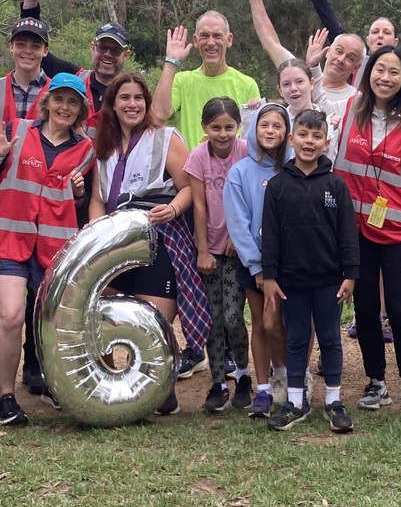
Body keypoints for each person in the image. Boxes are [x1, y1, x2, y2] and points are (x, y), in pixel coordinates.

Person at [90, 72, 210, 416]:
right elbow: (98, 197)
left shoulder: (166, 137)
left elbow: (189, 187)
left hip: (157, 235)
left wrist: (173, 209)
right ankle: (108, 380)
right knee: (101, 311)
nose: (132, 104)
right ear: (112, 104)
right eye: (124, 98)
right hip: (114, 241)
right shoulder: (103, 144)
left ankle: (161, 384)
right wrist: (97, 232)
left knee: (154, 320)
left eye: (138, 98)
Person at [0, 73, 96, 424]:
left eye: (73, 102)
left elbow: (82, 202)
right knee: (12, 315)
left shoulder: (85, 149)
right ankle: (7, 397)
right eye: (59, 100)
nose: (65, 107)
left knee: (55, 322)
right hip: (7, 238)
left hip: (53, 246)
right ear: (46, 103)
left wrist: (78, 193)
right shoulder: (15, 129)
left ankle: (57, 385)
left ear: (81, 111)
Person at [333, 45, 401, 413]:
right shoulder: (348, 113)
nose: (385, 78)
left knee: (400, 310)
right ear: (368, 73)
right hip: (357, 231)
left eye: (394, 72)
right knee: (364, 309)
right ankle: (376, 382)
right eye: (379, 69)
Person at [0, 17, 56, 400]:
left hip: (42, 213)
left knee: (40, 299)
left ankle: (34, 362)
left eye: (35, 44)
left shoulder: (60, 93)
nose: (27, 50)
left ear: (45, 51)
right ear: (10, 47)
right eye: (21, 42)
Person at [261, 109, 359, 432]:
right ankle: (295, 401)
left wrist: (350, 274)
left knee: (331, 339)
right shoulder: (276, 187)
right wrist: (271, 277)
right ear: (291, 139)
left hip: (329, 281)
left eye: (317, 136)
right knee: (296, 340)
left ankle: (333, 400)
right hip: (291, 282)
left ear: (326, 142)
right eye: (303, 134)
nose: (309, 141)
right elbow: (270, 236)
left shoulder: (336, 185)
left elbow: (347, 234)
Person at [184, 97, 252, 413]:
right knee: (212, 320)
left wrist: (237, 239)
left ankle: (244, 375)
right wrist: (201, 250)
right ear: (204, 128)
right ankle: (216, 384)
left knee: (233, 316)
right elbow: (199, 205)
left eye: (229, 127)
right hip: (209, 248)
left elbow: (251, 198)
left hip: (237, 248)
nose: (223, 134)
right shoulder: (199, 156)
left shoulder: (245, 150)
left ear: (238, 127)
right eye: (215, 127)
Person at [224, 102, 292, 416]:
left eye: (278, 125)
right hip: (255, 266)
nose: (270, 131)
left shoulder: (294, 169)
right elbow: (237, 223)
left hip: (291, 263)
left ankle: (287, 377)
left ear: (287, 133)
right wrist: (257, 265)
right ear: (254, 129)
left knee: (280, 323)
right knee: (262, 325)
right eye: (264, 124)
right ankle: (263, 390)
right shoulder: (240, 171)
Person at [18, 0, 130, 116]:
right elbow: (39, 55)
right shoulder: (75, 77)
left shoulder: (132, 96)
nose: (107, 54)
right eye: (102, 47)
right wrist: (30, 3)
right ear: (92, 48)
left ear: (126, 55)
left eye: (115, 50)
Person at [151, 18, 261, 149]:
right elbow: (158, 115)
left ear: (229, 39)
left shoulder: (247, 85)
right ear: (196, 41)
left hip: (232, 168)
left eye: (217, 36)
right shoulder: (182, 81)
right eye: (204, 36)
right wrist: (171, 62)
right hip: (190, 167)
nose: (210, 42)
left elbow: (253, 137)